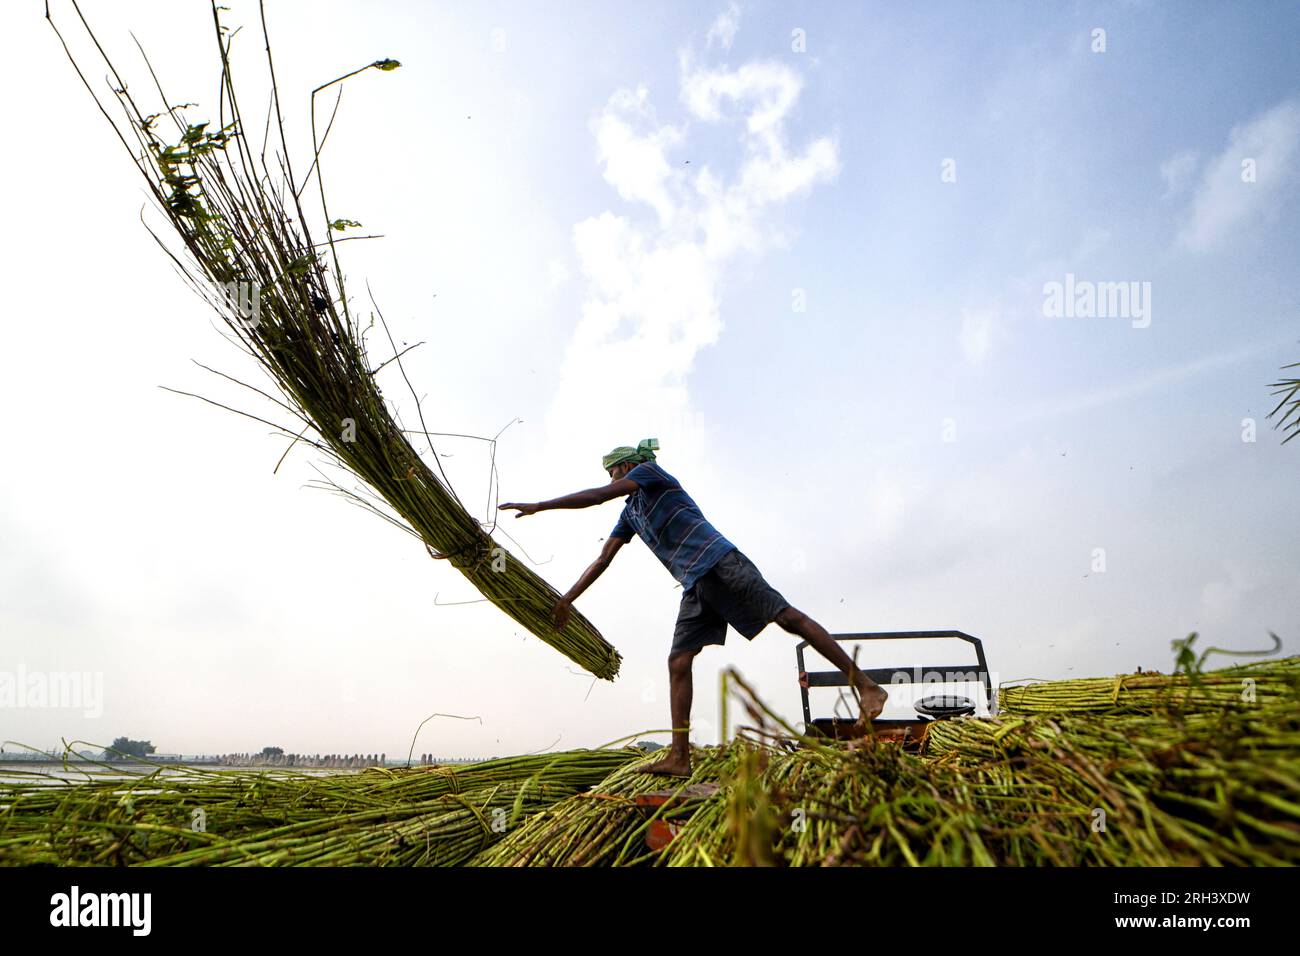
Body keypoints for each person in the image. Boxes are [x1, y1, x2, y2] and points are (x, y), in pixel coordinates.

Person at [498, 438, 888, 776]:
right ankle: (680, 756)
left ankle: (866, 685)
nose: (612, 481)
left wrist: (540, 506)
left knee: (787, 618)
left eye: (614, 473)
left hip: (720, 561)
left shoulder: (652, 473)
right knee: (678, 661)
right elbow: (603, 559)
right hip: (696, 585)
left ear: (627, 466)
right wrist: (567, 599)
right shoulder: (631, 513)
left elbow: (598, 496)